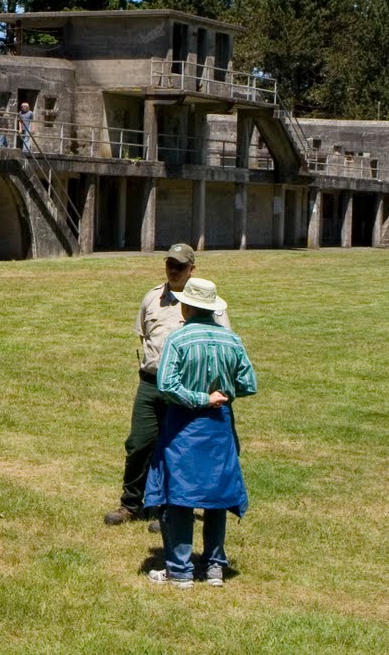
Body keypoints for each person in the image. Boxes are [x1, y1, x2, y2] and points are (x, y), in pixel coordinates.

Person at [105, 242, 231, 527]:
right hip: (150, 385)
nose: (173, 271)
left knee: (176, 448)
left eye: (180, 266)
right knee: (139, 444)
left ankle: (168, 510)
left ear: (192, 269)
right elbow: (144, 338)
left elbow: (223, 346)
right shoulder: (151, 298)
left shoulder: (207, 304)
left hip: (185, 390)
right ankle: (130, 505)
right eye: (169, 265)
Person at [144, 277, 257, 588]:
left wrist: (199, 398)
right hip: (219, 425)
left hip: (184, 426)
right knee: (215, 496)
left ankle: (180, 571)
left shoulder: (178, 341)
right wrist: (222, 394)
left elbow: (166, 384)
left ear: (187, 306)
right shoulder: (232, 341)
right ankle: (214, 568)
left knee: (179, 496)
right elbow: (249, 384)